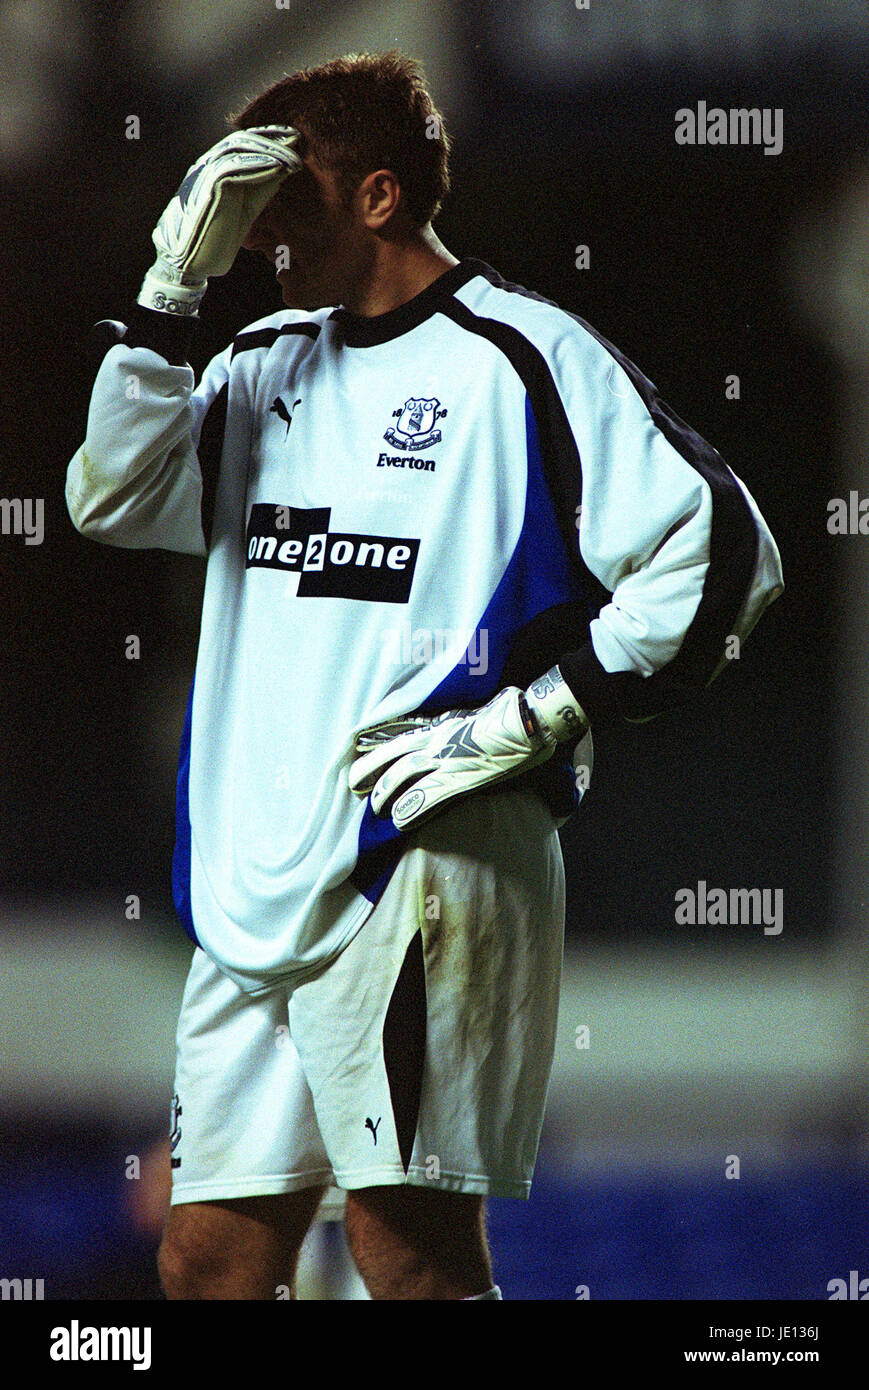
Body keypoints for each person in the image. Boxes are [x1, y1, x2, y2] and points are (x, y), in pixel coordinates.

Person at [65, 51, 784, 1300]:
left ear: (380, 196)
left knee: (409, 1256)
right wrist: (169, 293)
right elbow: (107, 498)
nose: (256, 235)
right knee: (208, 1259)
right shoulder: (257, 364)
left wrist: (534, 716)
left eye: (281, 203)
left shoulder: (520, 357)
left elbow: (723, 553)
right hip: (254, 880)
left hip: (425, 863)